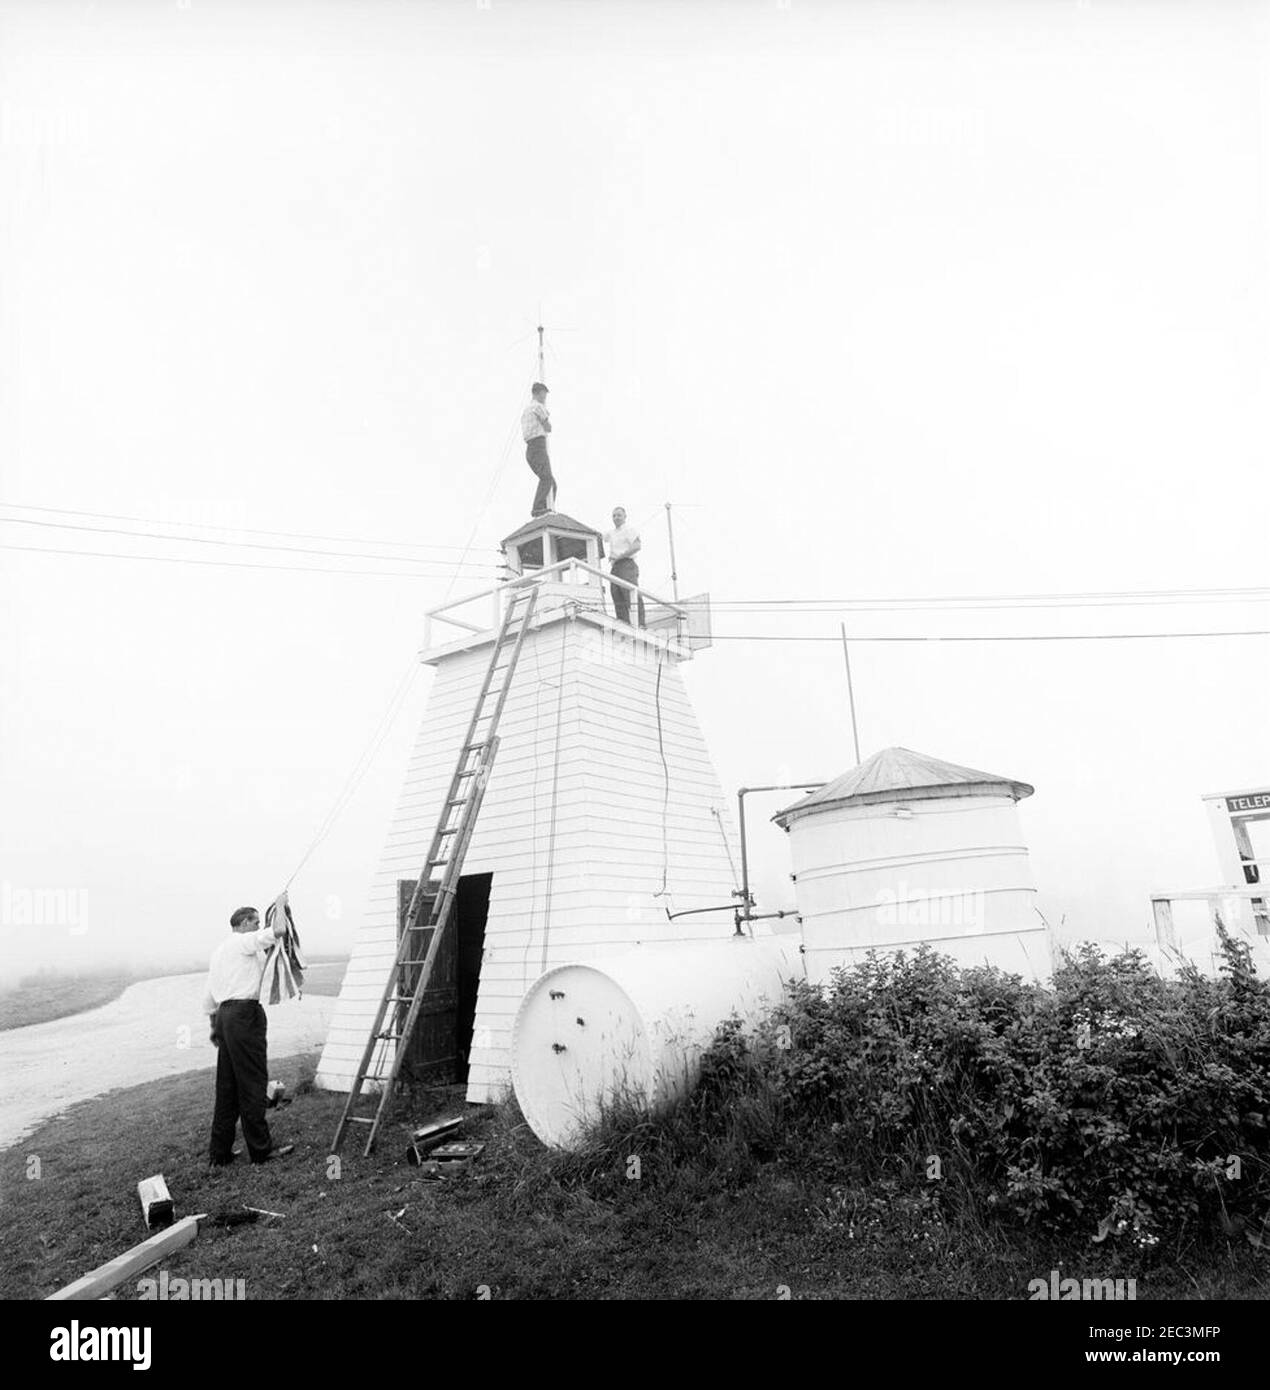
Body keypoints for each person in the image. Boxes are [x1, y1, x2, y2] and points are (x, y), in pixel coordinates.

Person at [203, 905, 294, 1166]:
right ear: (243, 923)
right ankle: (261, 1151)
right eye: (255, 922)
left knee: (227, 1087)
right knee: (253, 1082)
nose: (257, 927)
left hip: (225, 1016)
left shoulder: (219, 952)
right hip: (244, 1015)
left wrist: (215, 1026)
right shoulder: (242, 942)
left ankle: (219, 1154)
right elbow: (277, 931)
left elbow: (209, 994)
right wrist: (280, 902)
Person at [604, 505, 645, 627]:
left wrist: (619, 556)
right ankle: (624, 623)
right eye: (614, 515)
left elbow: (637, 546)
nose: (616, 518)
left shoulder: (629, 530)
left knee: (630, 592)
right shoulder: (611, 533)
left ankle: (641, 624)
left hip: (626, 564)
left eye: (619, 515)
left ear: (625, 517)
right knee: (616, 593)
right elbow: (601, 536)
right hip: (615, 566)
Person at [521, 382, 555, 516]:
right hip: (538, 445)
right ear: (538, 393)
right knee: (547, 478)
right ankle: (538, 509)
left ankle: (545, 509)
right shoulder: (537, 406)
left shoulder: (526, 410)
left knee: (551, 482)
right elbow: (548, 427)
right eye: (543, 395)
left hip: (530, 449)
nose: (544, 398)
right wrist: (545, 423)